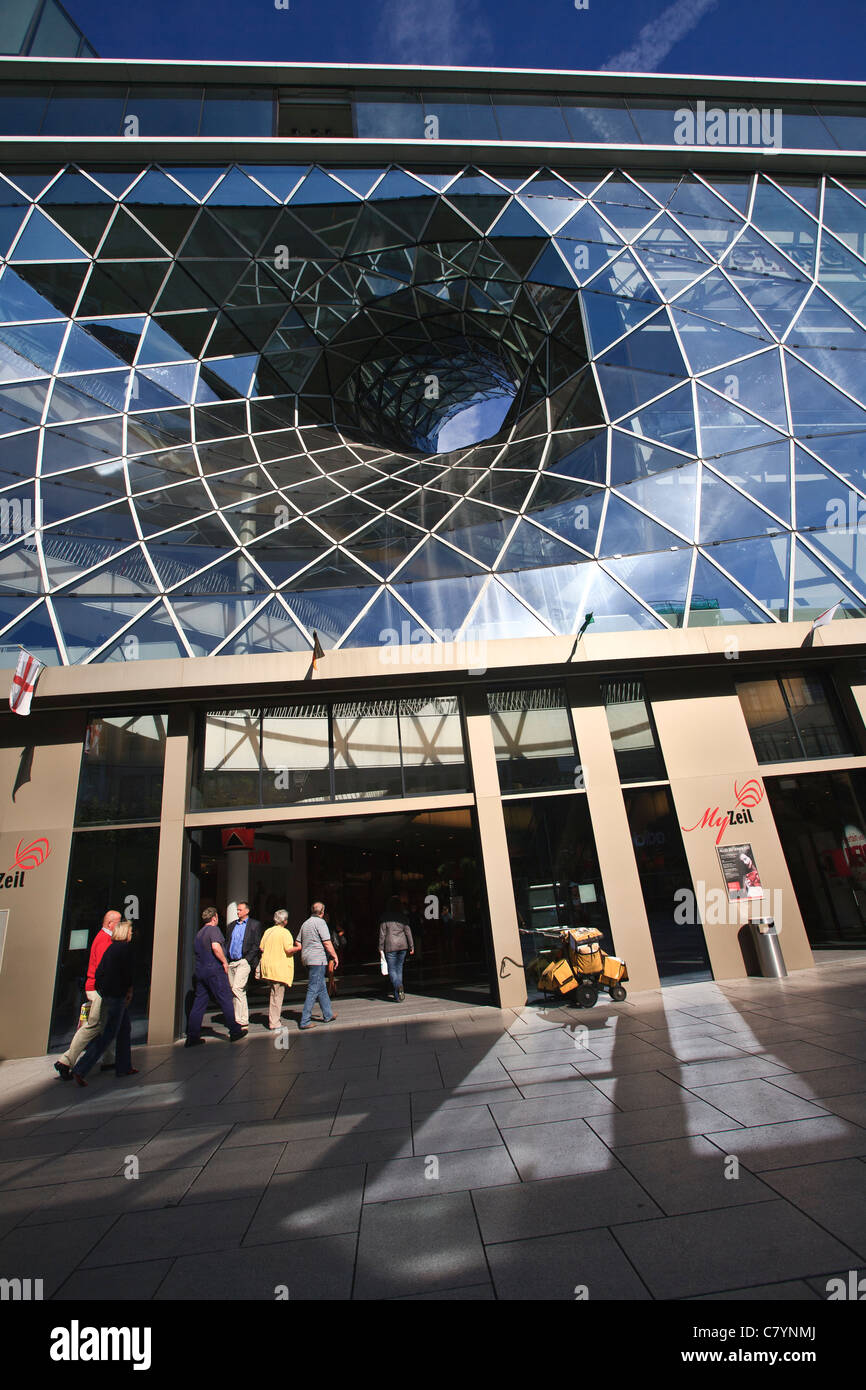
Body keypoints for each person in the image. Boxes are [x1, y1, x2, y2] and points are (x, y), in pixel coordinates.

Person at [54, 908, 120, 1081]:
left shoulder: (104, 938)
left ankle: (109, 1059)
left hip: (98, 987)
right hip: (99, 989)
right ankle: (66, 1061)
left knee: (106, 1024)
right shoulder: (104, 940)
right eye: (118, 922)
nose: (120, 925)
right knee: (94, 1025)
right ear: (110, 923)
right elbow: (104, 968)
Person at [71, 920, 138, 1087]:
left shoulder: (110, 949)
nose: (131, 934)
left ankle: (124, 1067)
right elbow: (128, 974)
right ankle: (81, 1068)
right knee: (109, 1033)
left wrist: (103, 990)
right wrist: (128, 990)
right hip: (118, 996)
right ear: (124, 933)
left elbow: (99, 973)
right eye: (130, 931)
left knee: (124, 1029)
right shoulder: (125, 949)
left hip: (109, 995)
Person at [186, 907, 246, 1046]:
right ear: (214, 918)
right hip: (214, 970)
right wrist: (224, 962)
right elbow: (215, 947)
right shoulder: (213, 930)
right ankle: (235, 1031)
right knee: (225, 999)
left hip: (200, 971)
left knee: (199, 1003)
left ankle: (192, 1036)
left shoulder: (199, 933)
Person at [297, 902, 338, 1030]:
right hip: (317, 959)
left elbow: (298, 942)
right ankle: (305, 1020)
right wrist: (335, 956)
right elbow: (327, 942)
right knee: (313, 988)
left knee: (321, 987)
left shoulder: (306, 923)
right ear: (322, 912)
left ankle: (328, 1014)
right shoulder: (321, 923)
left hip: (307, 958)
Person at [259, 909, 301, 1031]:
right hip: (279, 968)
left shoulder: (268, 931)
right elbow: (288, 949)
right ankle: (274, 1022)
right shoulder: (285, 933)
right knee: (277, 996)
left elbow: (261, 948)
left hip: (268, 967)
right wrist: (298, 947)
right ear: (285, 921)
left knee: (274, 994)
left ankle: (273, 1019)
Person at [224, 900, 262, 1030]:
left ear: (247, 911)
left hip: (243, 961)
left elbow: (256, 944)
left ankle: (242, 1019)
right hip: (232, 962)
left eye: (240, 910)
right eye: (237, 910)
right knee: (235, 990)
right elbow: (228, 942)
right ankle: (237, 1017)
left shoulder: (254, 925)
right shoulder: (232, 925)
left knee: (237, 988)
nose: (238, 912)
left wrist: (247, 959)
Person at [378, 895, 414, 1003]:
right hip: (402, 945)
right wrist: (411, 946)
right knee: (399, 969)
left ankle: (398, 986)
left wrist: (380, 947)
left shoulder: (385, 917)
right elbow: (408, 932)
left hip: (390, 946)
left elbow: (382, 934)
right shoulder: (403, 917)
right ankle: (398, 995)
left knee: (392, 969)